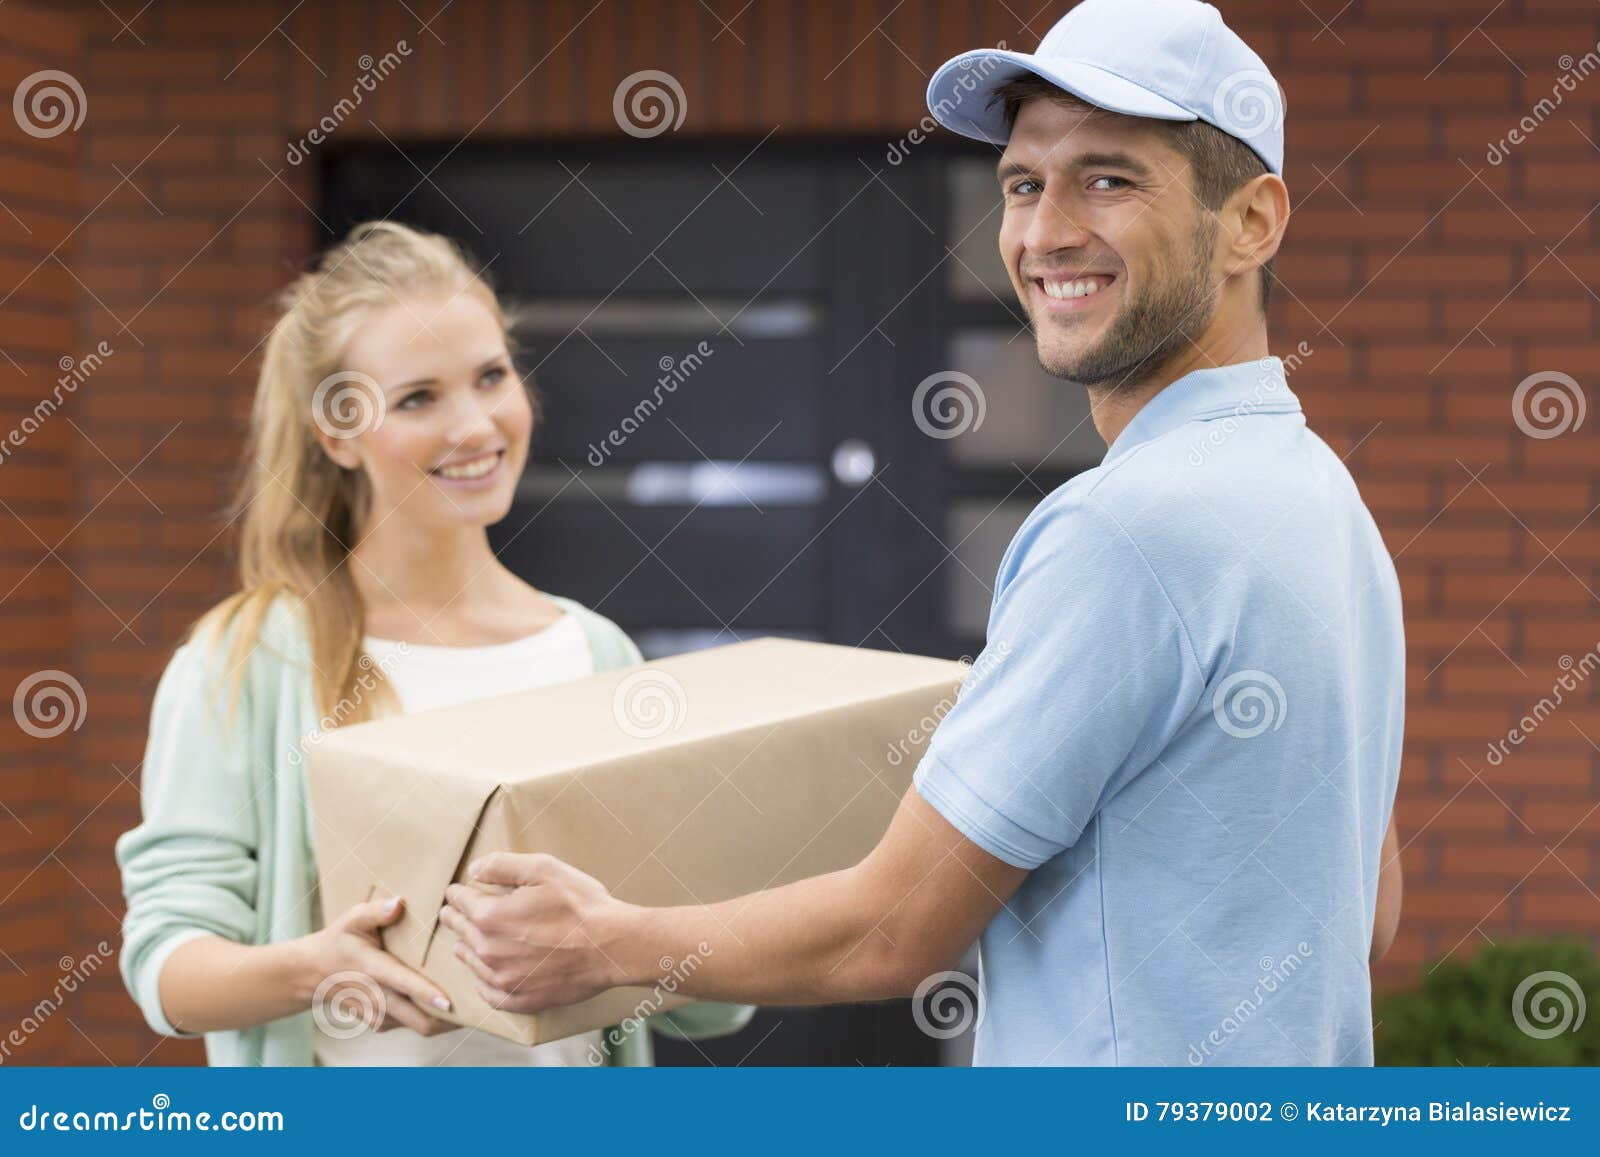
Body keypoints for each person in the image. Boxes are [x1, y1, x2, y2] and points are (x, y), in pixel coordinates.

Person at [440, 0, 1405, 1066]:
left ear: (1252, 221)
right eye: (1023, 185)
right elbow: (1365, 913)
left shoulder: (1120, 529)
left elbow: (891, 930)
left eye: (1109, 178)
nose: (1044, 233)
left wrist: (606, 942)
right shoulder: (1322, 503)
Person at [115, 220, 752, 1066]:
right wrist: (315, 969)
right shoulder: (253, 658)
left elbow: (706, 1010)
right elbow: (167, 965)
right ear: (338, 432)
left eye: (491, 376)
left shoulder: (596, 654)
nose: (475, 425)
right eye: (418, 398)